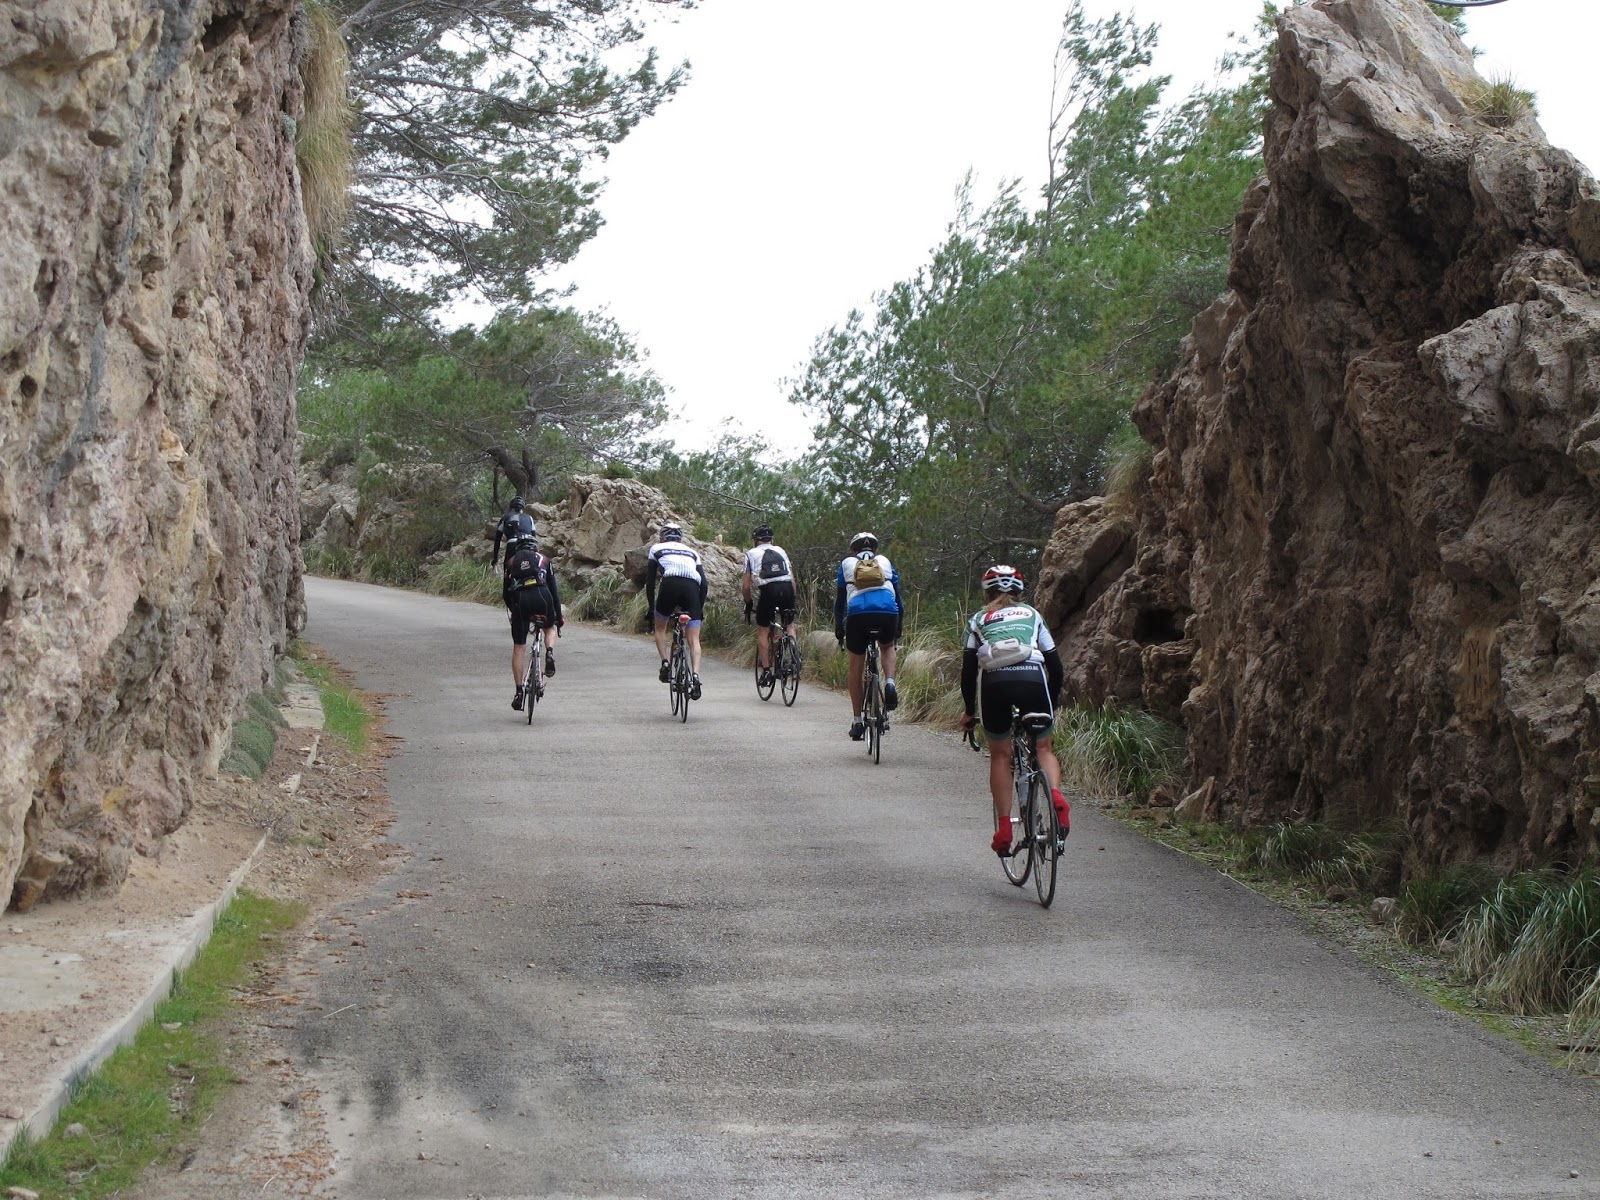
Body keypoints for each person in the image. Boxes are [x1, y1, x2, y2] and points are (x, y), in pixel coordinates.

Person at [958, 564, 1071, 856]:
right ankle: (1056, 797)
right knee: (1044, 749)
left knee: (1000, 754)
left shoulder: (979, 618)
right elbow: (1054, 666)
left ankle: (1005, 827)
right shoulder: (1033, 615)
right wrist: (1051, 703)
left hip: (995, 683)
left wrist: (969, 711)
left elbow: (969, 670)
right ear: (1020, 592)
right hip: (1032, 679)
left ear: (987, 592)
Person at [833, 531, 903, 741]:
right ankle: (889, 682)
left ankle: (857, 722)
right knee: (887, 646)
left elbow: (839, 603)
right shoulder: (884, 562)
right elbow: (899, 599)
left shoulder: (847, 564)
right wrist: (898, 627)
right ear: (875, 550)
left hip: (858, 615)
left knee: (856, 666)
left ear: (853, 550)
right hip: (887, 611)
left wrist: (839, 628)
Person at [645, 522, 708, 699]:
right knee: (694, 639)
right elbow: (704, 584)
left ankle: (665, 663)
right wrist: (699, 609)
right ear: (680, 539)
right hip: (691, 587)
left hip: (670, 584)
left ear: (662, 537)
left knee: (660, 627)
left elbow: (650, 583)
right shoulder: (693, 552)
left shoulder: (656, 548)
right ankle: (695, 676)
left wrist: (651, 608)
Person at [503, 532, 564, 710]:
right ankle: (550, 652)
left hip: (520, 601)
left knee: (519, 647)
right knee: (550, 628)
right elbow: (554, 591)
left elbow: (505, 593)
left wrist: (514, 611)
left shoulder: (511, 562)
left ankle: (519, 690)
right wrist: (558, 617)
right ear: (535, 547)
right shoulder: (544, 560)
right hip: (542, 597)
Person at [742, 523, 796, 685]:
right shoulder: (781, 551)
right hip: (787, 588)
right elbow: (792, 580)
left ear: (755, 540)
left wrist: (749, 603)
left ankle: (766, 671)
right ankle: (795, 655)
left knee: (763, 630)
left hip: (768, 590)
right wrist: (793, 598)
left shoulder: (750, 554)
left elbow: (745, 586)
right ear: (771, 540)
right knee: (789, 624)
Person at [490, 496, 534, 571]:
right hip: (528, 545)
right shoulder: (529, 518)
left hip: (512, 544)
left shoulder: (505, 517)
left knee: (508, 570)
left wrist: (495, 559)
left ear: (511, 508)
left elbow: (497, 539)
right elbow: (534, 537)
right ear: (522, 509)